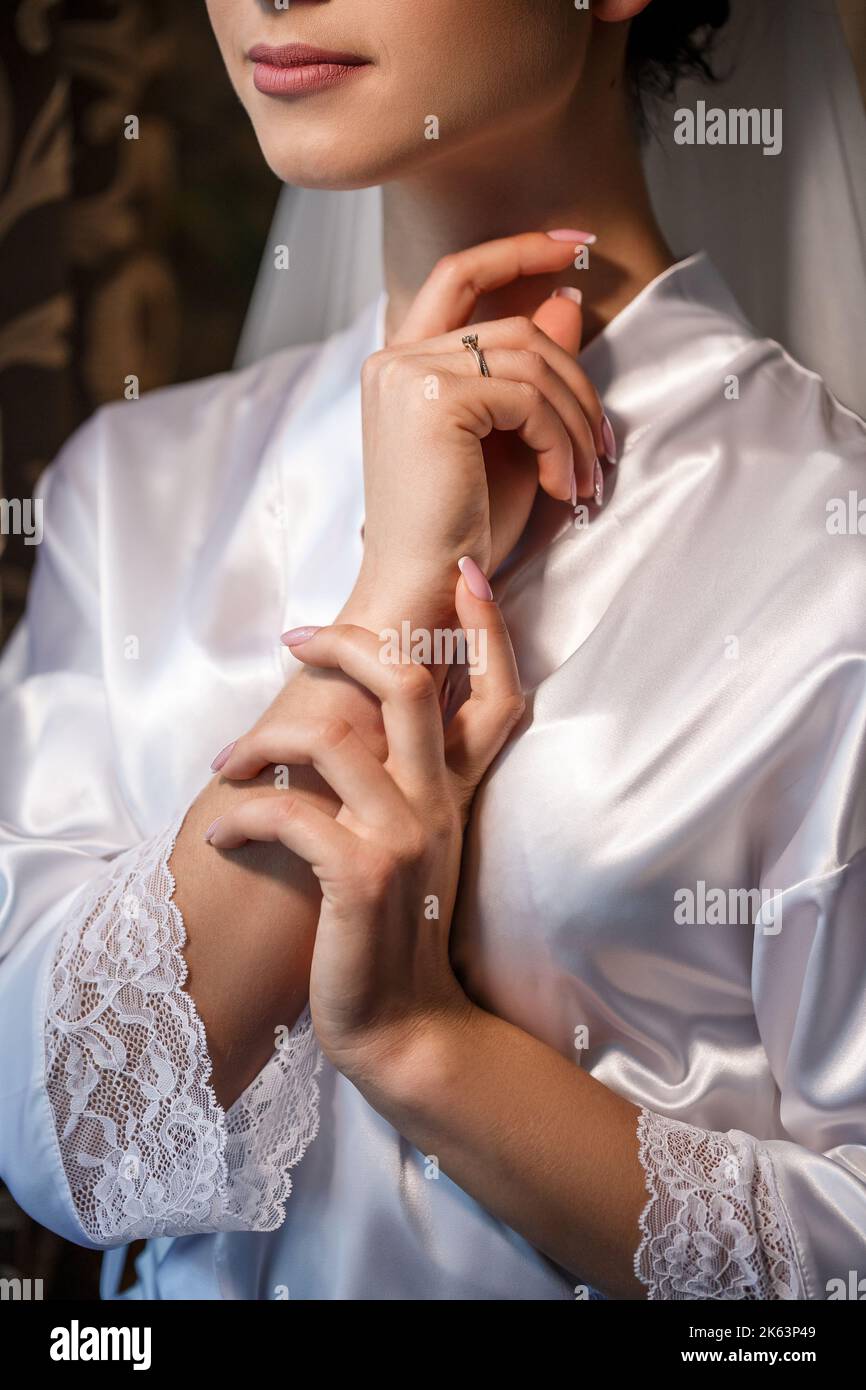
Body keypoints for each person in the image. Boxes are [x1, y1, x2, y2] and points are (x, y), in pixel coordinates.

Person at [1, 0, 864, 1301]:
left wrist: (422, 1050)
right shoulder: (135, 490)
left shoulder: (825, 550)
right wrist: (392, 586)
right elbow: (64, 1143)